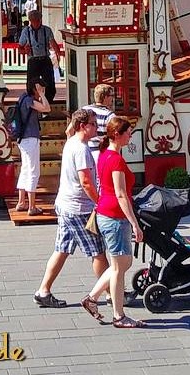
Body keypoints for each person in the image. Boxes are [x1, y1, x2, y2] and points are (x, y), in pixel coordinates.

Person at [33, 109, 108, 309]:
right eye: (93, 123)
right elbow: (86, 181)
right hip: (79, 208)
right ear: (83, 126)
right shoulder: (81, 149)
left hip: (65, 205)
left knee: (62, 249)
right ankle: (112, 291)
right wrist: (100, 202)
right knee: (98, 252)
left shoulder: (72, 142)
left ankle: (43, 291)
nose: (96, 127)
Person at [82, 117, 145, 328]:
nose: (130, 135)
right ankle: (119, 315)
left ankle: (92, 298)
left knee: (123, 263)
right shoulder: (116, 159)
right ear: (117, 134)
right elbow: (120, 194)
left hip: (106, 213)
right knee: (119, 267)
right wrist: (134, 223)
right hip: (115, 216)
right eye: (128, 132)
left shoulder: (104, 155)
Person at [15, 78, 50, 216]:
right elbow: (47, 108)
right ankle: (32, 206)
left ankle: (21, 202)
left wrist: (40, 93)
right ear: (35, 88)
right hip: (30, 139)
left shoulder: (22, 98)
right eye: (41, 89)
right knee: (33, 172)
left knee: (25, 170)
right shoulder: (29, 101)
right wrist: (41, 94)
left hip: (23, 139)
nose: (43, 91)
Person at [68, 83, 116, 167]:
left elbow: (69, 131)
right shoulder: (110, 115)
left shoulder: (84, 110)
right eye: (111, 95)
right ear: (105, 97)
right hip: (101, 154)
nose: (113, 98)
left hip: (84, 151)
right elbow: (114, 138)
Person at [18, 10, 59, 103]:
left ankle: (48, 103)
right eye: (33, 20)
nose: (36, 22)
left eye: (37, 20)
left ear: (40, 20)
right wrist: (25, 51)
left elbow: (53, 43)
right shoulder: (26, 32)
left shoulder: (47, 30)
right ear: (30, 21)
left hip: (45, 60)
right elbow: (19, 49)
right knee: (31, 85)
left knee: (50, 84)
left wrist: (58, 54)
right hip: (33, 60)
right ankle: (32, 103)